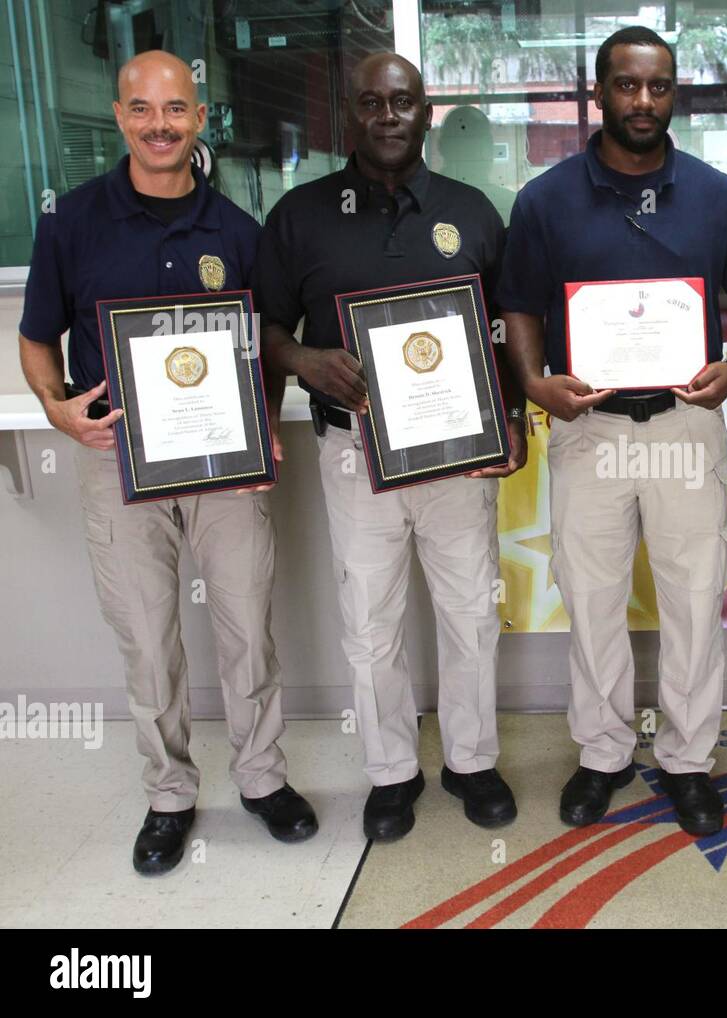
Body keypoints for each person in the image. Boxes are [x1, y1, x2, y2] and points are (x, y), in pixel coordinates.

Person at [17, 50, 317, 876]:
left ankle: (262, 779)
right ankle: (169, 795)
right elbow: (36, 337)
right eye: (143, 109)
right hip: (117, 458)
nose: (160, 125)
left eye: (176, 109)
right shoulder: (71, 222)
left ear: (198, 118)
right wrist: (54, 407)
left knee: (247, 628)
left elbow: (262, 348)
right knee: (147, 640)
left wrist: (262, 424)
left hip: (226, 465)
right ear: (120, 117)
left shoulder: (239, 233)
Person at [498, 26, 727, 836]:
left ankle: (689, 760)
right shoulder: (544, 199)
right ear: (599, 92)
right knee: (593, 600)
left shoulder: (719, 196)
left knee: (694, 601)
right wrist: (534, 381)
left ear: (673, 93)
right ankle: (604, 754)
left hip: (688, 424)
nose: (643, 101)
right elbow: (518, 305)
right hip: (590, 431)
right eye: (627, 85)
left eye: (658, 87)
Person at [255, 53, 527, 839]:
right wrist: (305, 359)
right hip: (352, 451)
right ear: (350, 112)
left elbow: (506, 329)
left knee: (472, 612)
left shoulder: (472, 211)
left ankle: (472, 760)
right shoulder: (300, 216)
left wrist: (511, 417)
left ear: (425, 110)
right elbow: (266, 328)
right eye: (369, 102)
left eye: (401, 101)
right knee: (369, 620)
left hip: (456, 457)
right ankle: (390, 773)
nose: (386, 116)